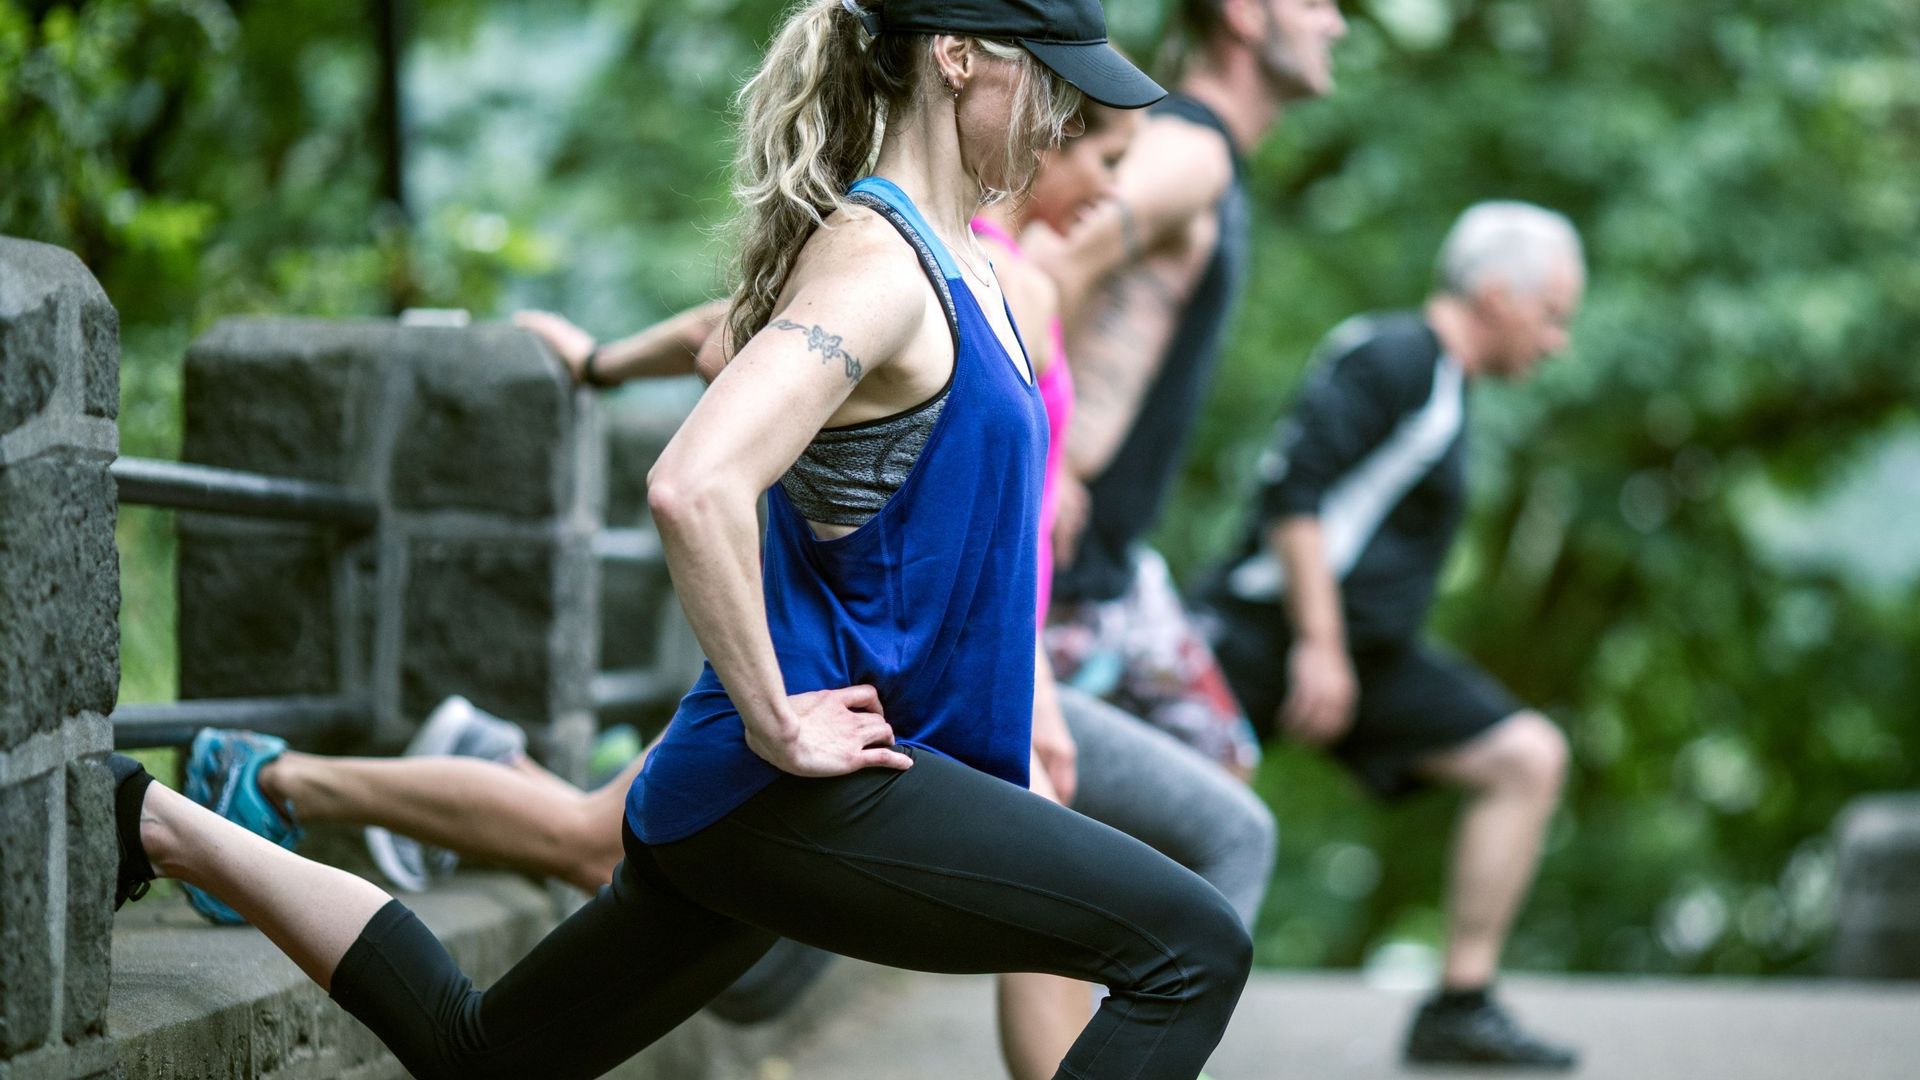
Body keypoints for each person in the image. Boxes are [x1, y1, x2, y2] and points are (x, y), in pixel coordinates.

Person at [106, 4, 1254, 1077]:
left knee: (479, 1054)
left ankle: (152, 822)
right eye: (1051, 81)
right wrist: (776, 720)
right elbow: (694, 484)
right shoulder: (880, 265)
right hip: (809, 787)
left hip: (791, 791)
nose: (1065, 118)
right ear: (957, 54)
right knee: (1190, 947)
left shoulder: (973, 268)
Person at [1198, 200, 1586, 1069]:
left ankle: (1460, 1005)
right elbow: (1294, 497)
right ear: (1497, 294)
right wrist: (1319, 644)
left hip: (1364, 657)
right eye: (1552, 315)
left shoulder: (1448, 385)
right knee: (1174, 825)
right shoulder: (1395, 356)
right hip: (1264, 638)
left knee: (1527, 759)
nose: (1558, 341)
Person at [1027, 0, 1349, 778]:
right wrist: (1046, 451)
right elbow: (1036, 254)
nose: (1335, 24)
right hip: (1058, 569)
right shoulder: (1189, 151)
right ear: (1242, 15)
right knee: (1193, 809)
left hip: (1115, 569)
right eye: (1313, 4)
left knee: (1223, 765)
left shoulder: (1200, 155)